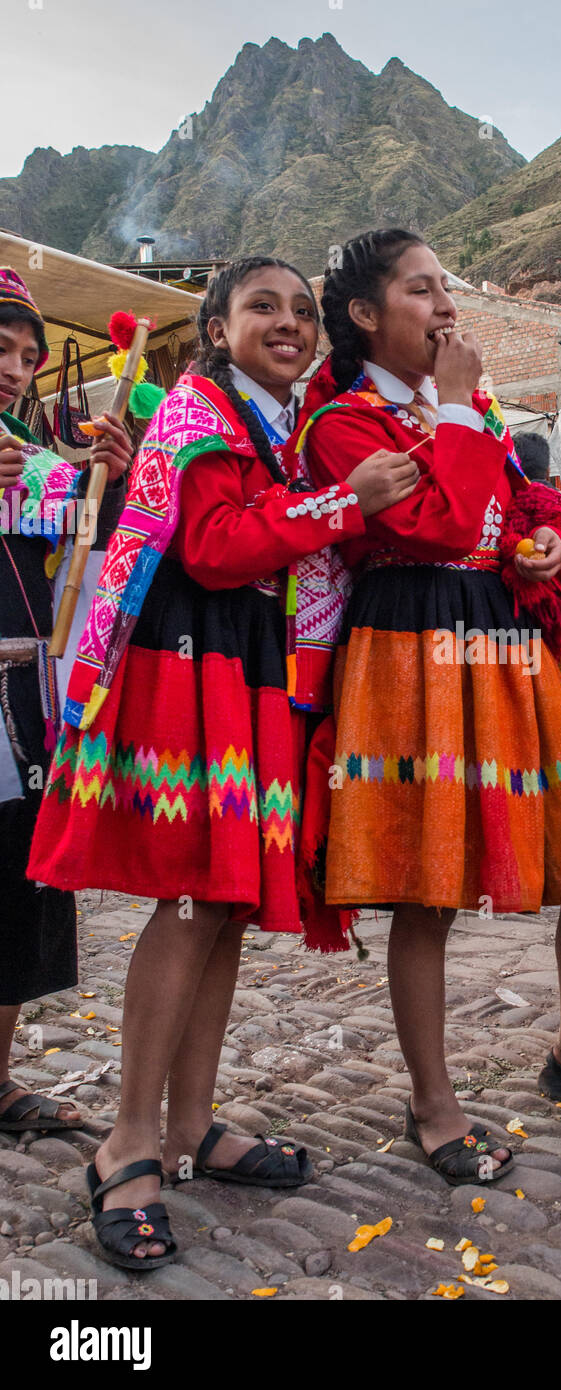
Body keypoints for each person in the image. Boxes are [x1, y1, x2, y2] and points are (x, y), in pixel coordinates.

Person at [28, 256, 419, 1268]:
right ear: (216, 328)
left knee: (228, 898)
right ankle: (127, 1142)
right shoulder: (203, 410)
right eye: (262, 307)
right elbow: (213, 547)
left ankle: (191, 1123)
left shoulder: (275, 425)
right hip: (189, 665)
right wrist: (349, 503)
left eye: (300, 309)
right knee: (194, 897)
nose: (287, 322)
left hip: (243, 670)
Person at [292, 228, 561, 1188]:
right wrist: (459, 410)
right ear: (367, 316)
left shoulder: (465, 412)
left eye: (446, 289)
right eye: (422, 292)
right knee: (429, 892)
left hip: (500, 637)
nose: (446, 308)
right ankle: (432, 1101)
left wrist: (537, 544)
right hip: (411, 648)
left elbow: (508, 509)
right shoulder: (341, 424)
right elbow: (442, 525)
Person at [0, 267, 131, 1135]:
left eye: (24, 355)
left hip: (21, 703)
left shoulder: (35, 463)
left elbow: (97, 554)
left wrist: (109, 482)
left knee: (13, 889)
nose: (13, 367)